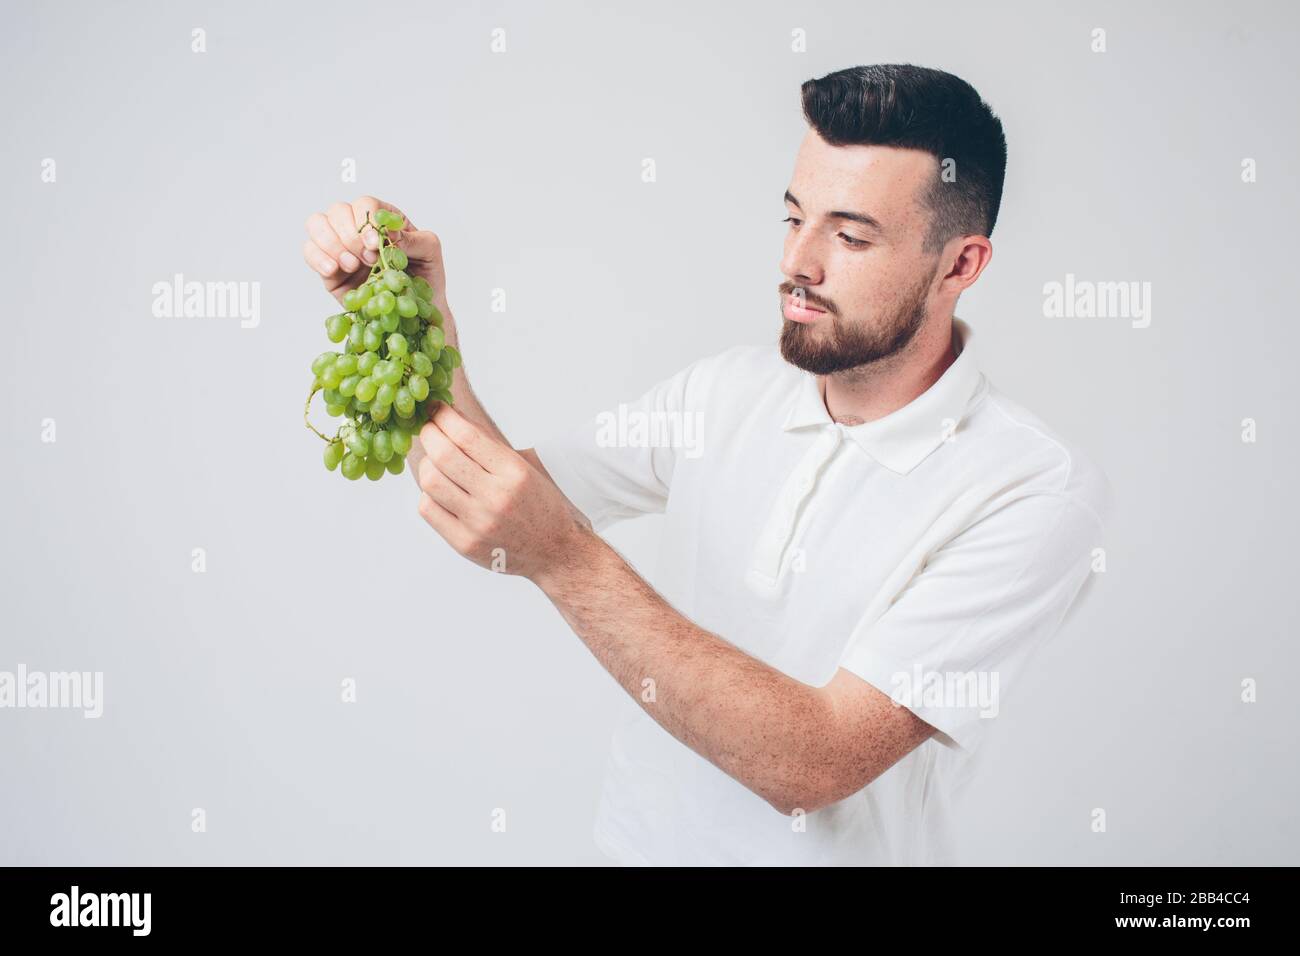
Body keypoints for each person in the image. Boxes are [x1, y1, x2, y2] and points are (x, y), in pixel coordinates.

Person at [300, 64, 1114, 866]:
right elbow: (503, 507)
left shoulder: (1032, 487)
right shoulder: (726, 390)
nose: (801, 262)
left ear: (961, 266)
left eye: (852, 235)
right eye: (794, 218)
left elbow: (819, 762)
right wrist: (420, 327)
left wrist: (569, 561)